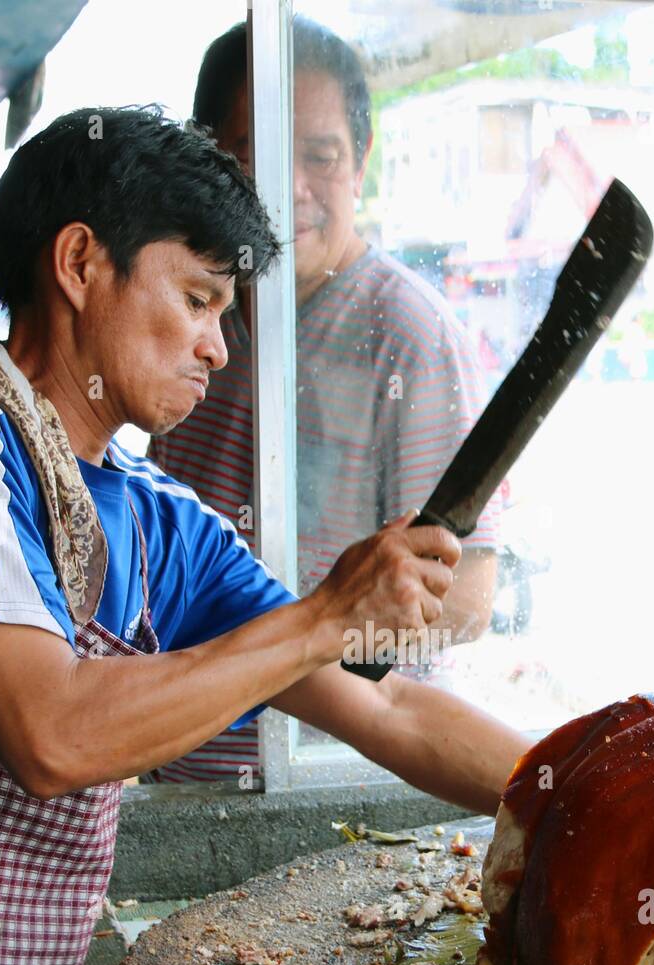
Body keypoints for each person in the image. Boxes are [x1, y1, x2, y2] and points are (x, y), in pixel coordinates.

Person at [0, 106, 530, 965]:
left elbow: (391, 712)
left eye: (227, 316)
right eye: (196, 300)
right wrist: (322, 612)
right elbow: (52, 733)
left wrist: (598, 785)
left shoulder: (160, 523)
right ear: (81, 262)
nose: (218, 348)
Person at [147, 17, 500, 783]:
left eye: (320, 157)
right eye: (251, 157)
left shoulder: (409, 333)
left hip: (336, 767)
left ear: (361, 164)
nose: (286, 188)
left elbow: (469, 594)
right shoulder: (192, 317)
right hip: (180, 766)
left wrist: (341, 632)